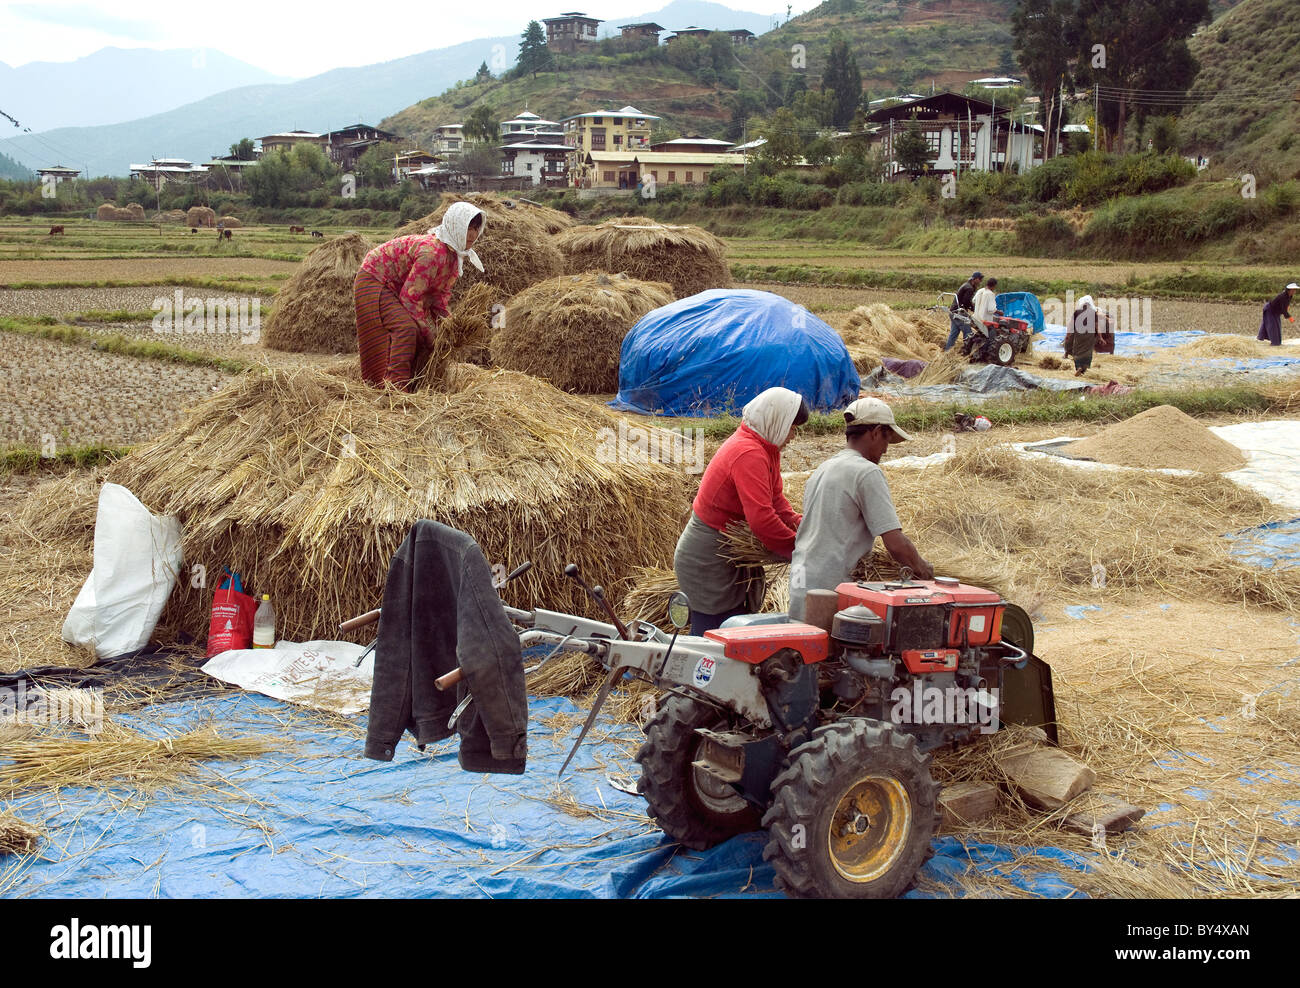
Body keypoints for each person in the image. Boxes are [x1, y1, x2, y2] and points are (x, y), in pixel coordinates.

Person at [674, 387, 808, 635]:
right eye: (792, 427)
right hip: (707, 558)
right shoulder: (748, 453)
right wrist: (799, 550)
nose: (793, 436)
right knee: (712, 637)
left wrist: (804, 525)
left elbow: (775, 501)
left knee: (733, 631)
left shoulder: (765, 448)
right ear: (776, 420)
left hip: (729, 553)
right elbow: (762, 519)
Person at [788, 398, 933, 622]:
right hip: (831, 587)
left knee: (803, 650)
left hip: (801, 579)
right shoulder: (867, 473)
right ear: (875, 432)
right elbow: (894, 542)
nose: (886, 449)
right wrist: (922, 570)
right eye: (886, 439)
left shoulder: (823, 468)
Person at [353, 202, 484, 390]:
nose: (472, 234)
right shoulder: (432, 252)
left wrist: (449, 329)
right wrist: (428, 333)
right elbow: (409, 298)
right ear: (456, 226)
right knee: (407, 328)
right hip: (374, 278)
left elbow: (439, 299)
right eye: (468, 227)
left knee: (418, 333)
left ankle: (408, 383)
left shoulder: (453, 257)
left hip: (391, 285)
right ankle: (395, 388)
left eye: (476, 228)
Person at [944, 272, 983, 351]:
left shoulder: (966, 284)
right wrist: (975, 309)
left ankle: (947, 352)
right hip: (959, 313)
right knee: (968, 334)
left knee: (953, 334)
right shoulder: (969, 288)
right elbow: (966, 302)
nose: (980, 281)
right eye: (980, 279)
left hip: (953, 312)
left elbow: (965, 301)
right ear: (975, 279)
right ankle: (967, 353)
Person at [1063, 294, 1100, 376]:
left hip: (1079, 334)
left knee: (1077, 350)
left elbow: (1071, 324)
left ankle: (1078, 367)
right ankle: (1084, 369)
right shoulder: (1093, 312)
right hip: (1090, 335)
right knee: (1088, 351)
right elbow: (1097, 326)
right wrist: (1100, 337)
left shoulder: (1077, 311)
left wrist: (1068, 335)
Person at [1257, 282, 1298, 347]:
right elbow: (1283, 309)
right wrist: (1289, 317)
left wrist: (1287, 308)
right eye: (1293, 290)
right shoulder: (1283, 296)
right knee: (1273, 326)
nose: (1294, 291)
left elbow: (1285, 306)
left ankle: (1260, 338)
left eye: (1295, 290)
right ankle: (1275, 343)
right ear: (1289, 290)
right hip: (1270, 310)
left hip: (1276, 311)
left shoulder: (1289, 296)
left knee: (1273, 324)